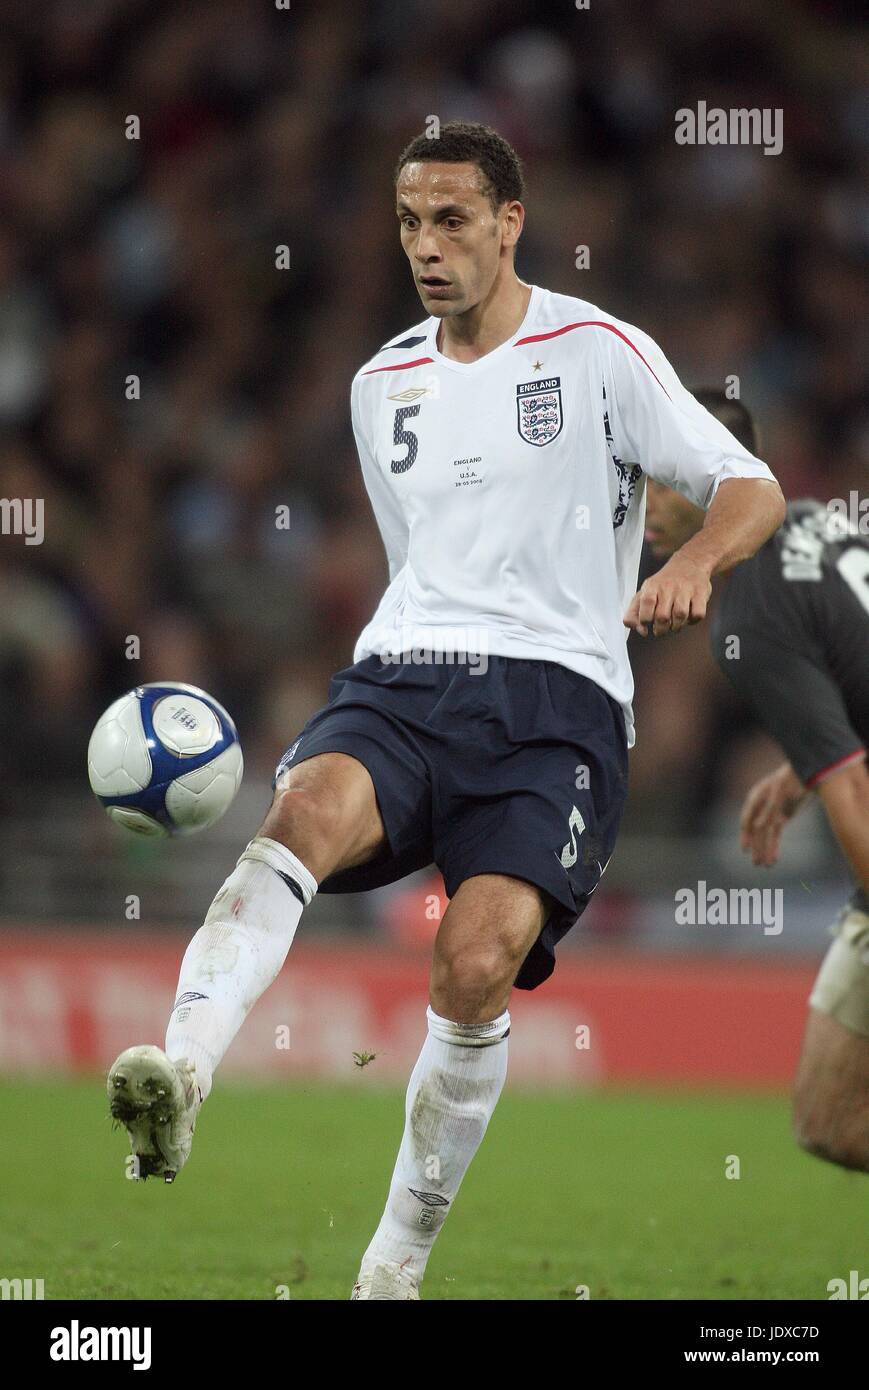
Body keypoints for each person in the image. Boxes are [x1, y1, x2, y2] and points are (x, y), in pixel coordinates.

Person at [108, 123, 784, 1299]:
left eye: (453, 220)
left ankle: (390, 1269)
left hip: (557, 706)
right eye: (410, 222)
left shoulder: (599, 351)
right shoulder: (381, 384)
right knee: (299, 817)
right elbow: (418, 557)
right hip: (408, 673)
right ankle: (180, 1074)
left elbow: (749, 484)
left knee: (472, 966)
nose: (427, 246)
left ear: (510, 221)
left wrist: (694, 566)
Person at [645, 389, 869, 1173]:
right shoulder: (813, 519)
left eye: (663, 479)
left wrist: (826, 771)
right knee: (828, 1121)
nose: (644, 498)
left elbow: (854, 794)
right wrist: (801, 769)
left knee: (832, 1120)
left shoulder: (750, 612)